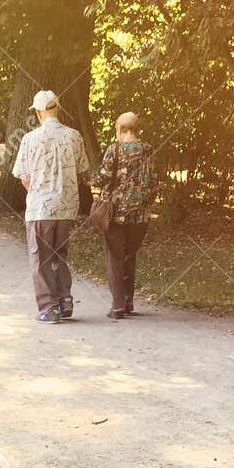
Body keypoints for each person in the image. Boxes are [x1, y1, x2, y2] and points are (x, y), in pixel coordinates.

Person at [12, 89, 91, 323]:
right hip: (67, 207)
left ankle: (48, 307)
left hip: (40, 208)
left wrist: (39, 192)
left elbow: (23, 176)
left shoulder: (29, 139)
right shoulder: (74, 136)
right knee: (59, 254)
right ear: (57, 108)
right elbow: (81, 169)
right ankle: (65, 299)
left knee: (40, 257)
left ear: (38, 113)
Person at [91, 112, 156, 319]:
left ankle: (118, 306)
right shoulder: (149, 150)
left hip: (116, 214)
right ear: (137, 129)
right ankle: (128, 301)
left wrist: (86, 179)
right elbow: (155, 183)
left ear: (119, 129)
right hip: (140, 216)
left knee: (115, 257)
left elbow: (102, 178)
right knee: (130, 255)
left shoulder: (115, 149)